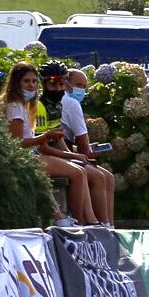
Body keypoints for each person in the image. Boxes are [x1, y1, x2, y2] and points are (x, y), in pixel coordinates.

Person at [2, 62, 97, 225]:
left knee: (80, 170)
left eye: (33, 81)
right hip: (22, 158)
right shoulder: (15, 106)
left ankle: (81, 221)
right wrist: (44, 137)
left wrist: (70, 153)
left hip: (33, 154)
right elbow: (16, 144)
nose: (31, 85)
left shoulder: (28, 105)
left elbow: (44, 143)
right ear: (16, 83)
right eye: (26, 81)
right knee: (78, 173)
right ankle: (74, 221)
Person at [45, 64, 116, 226]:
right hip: (50, 154)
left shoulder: (55, 103)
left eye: (85, 87)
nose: (82, 90)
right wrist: (81, 153)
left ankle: (105, 225)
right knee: (97, 177)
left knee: (108, 178)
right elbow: (79, 146)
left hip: (59, 152)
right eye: (78, 86)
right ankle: (96, 224)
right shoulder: (70, 103)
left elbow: (60, 141)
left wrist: (77, 152)